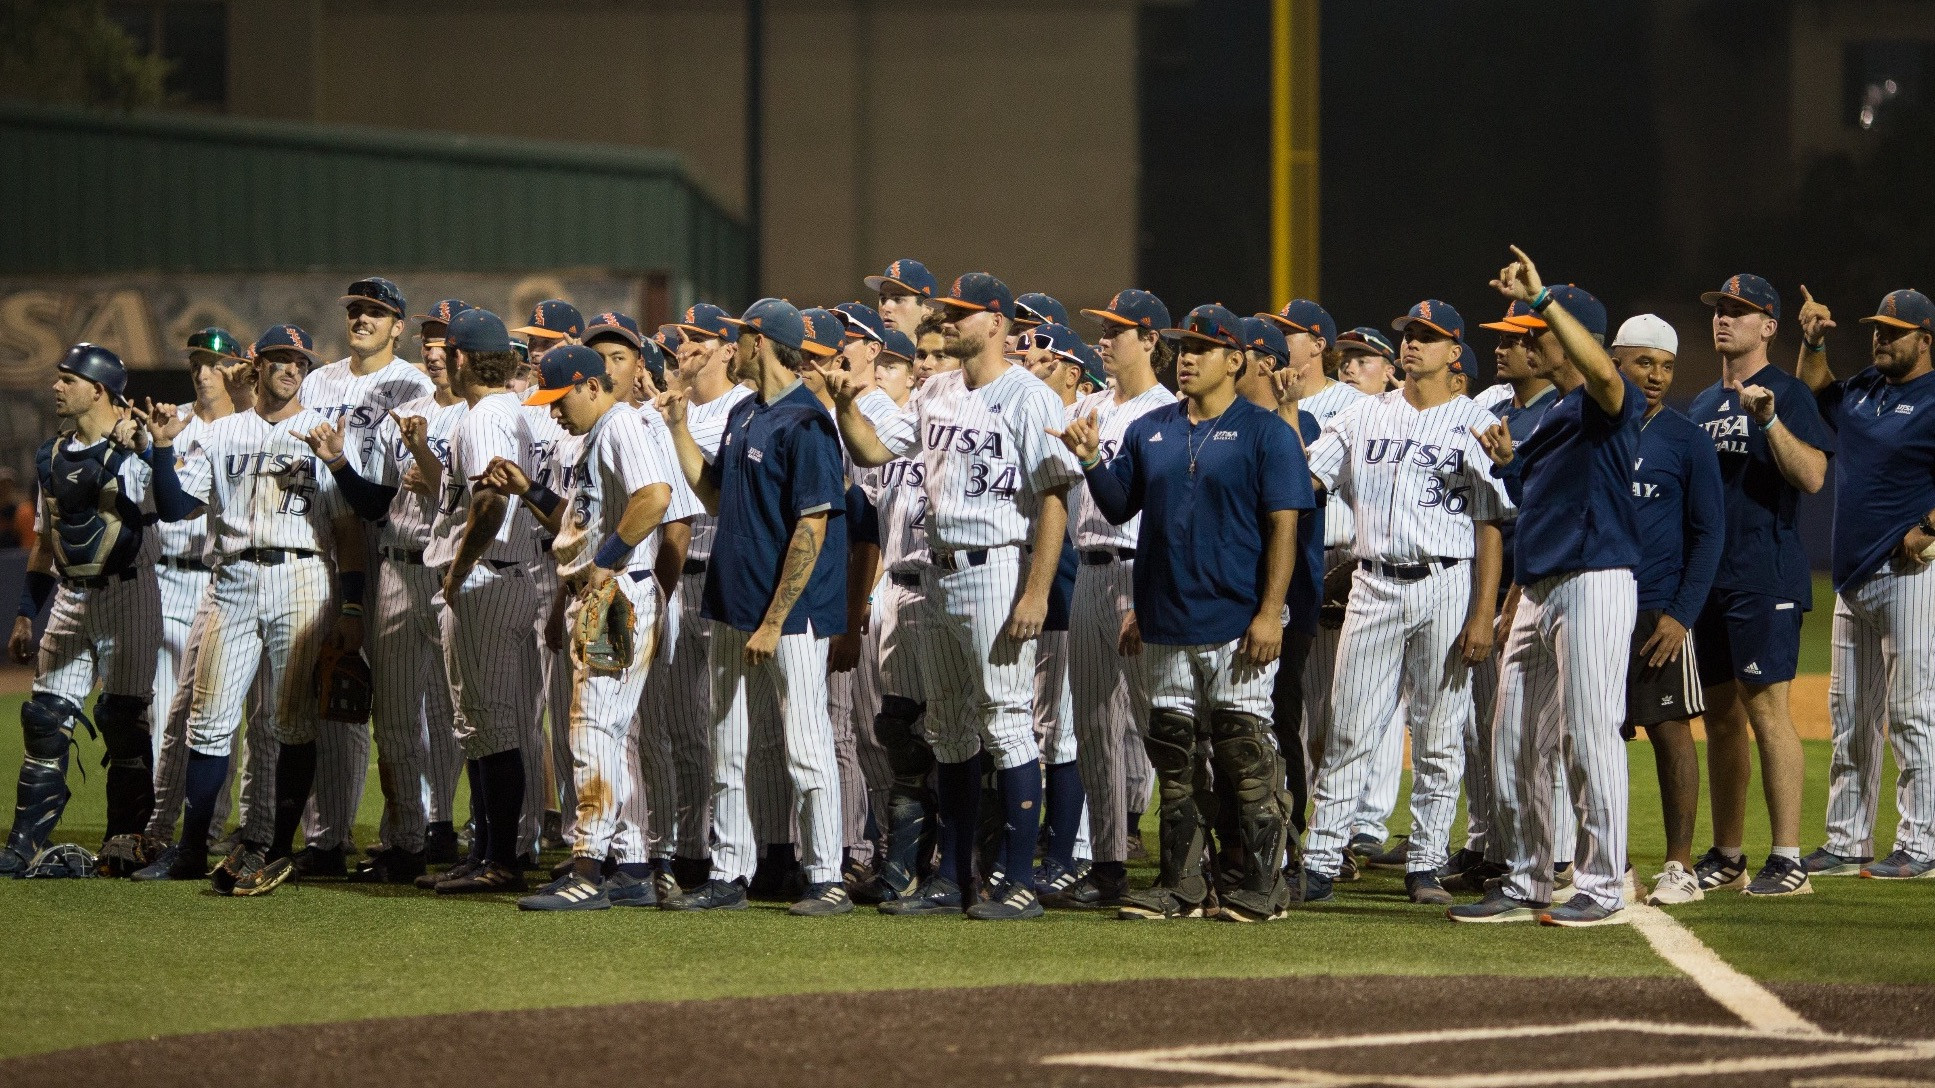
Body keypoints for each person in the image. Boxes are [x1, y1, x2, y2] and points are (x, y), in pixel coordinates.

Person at [825, 273, 1083, 922]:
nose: (951, 321)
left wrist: (1036, 591)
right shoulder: (936, 389)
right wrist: (843, 405)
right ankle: (952, 877)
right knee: (946, 728)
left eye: (965, 314)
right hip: (936, 571)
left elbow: (1055, 497)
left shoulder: (1028, 396)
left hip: (996, 565)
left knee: (1005, 721)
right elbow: (878, 450)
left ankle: (1018, 882)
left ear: (996, 323)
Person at [1055, 303, 1311, 921]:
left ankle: (1262, 886)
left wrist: (1270, 612)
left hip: (1235, 618)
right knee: (1173, 758)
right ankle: (1181, 884)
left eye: (1201, 348)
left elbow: (1285, 528)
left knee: (1244, 752)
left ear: (1235, 360)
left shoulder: (1266, 432)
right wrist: (1091, 460)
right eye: (1182, 347)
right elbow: (1118, 508)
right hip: (1166, 618)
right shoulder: (1152, 429)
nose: (1186, 357)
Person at [138, 325, 365, 896]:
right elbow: (175, 507)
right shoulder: (221, 433)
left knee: (292, 721)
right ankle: (192, 848)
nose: (292, 369)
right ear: (256, 365)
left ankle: (277, 848)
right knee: (208, 720)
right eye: (281, 359)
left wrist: (354, 604)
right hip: (232, 576)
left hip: (303, 575)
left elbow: (347, 528)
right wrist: (164, 447)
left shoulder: (323, 433)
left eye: (301, 361)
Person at [1451, 252, 1641, 927]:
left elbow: (1604, 374)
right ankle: (1527, 877)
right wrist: (1510, 464)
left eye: (1536, 331)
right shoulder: (1555, 415)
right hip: (1538, 589)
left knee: (1589, 737)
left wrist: (1546, 295)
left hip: (1594, 580)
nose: (1526, 340)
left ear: (1570, 334)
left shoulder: (1606, 399)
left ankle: (1600, 882)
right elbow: (1533, 500)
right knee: (1509, 743)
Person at [1301, 301, 1510, 907]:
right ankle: (1319, 860)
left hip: (1448, 582)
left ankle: (1425, 863)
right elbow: (1306, 480)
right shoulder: (1365, 416)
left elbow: (1490, 524)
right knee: (1349, 726)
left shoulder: (1477, 421)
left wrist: (1482, 611)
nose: (1413, 344)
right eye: (1409, 334)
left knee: (1440, 734)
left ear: (1454, 353)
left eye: (1427, 336)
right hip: (1372, 582)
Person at [658, 298, 852, 917]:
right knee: (729, 744)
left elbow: (812, 529)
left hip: (791, 616)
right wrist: (678, 428)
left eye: (739, 338)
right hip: (733, 602)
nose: (731, 348)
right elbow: (714, 495)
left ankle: (827, 876)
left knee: (805, 745)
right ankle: (729, 869)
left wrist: (774, 620)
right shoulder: (746, 412)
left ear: (761, 342)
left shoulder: (808, 422)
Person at [473, 343, 681, 910]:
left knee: (593, 729)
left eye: (561, 399)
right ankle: (630, 868)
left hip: (615, 594)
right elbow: (579, 515)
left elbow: (656, 497)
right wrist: (531, 491)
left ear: (592, 385)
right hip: (608, 591)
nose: (554, 412)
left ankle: (588, 869)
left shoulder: (620, 425)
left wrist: (608, 559)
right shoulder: (597, 432)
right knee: (609, 731)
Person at [314, 302, 474, 883]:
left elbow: (471, 504)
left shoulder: (483, 416)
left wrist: (429, 461)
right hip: (397, 571)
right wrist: (336, 464)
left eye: (446, 340)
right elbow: (376, 506)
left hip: (453, 574)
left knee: (463, 715)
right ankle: (406, 839)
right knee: (398, 717)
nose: (435, 349)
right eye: (430, 339)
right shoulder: (399, 415)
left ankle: (450, 827)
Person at [1686, 274, 1834, 898]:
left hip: (1764, 571)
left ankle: (1789, 859)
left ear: (1769, 327)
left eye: (1741, 311)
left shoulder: (1788, 392)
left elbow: (1814, 477)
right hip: (1710, 581)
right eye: (1721, 309)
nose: (1725, 319)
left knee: (1766, 707)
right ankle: (1727, 853)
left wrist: (1770, 423)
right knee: (1719, 716)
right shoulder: (1697, 405)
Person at [3, 345, 163, 876]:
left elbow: (173, 506)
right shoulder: (50, 456)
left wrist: (145, 446)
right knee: (44, 718)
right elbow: (45, 542)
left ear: (98, 389)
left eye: (68, 379)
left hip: (128, 592)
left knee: (123, 722)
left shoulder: (134, 450)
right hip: (70, 595)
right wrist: (28, 610)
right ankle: (24, 841)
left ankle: (124, 842)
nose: (56, 386)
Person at [1794, 288, 1935, 880]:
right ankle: (1848, 839)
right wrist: (1812, 339)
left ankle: (1922, 843)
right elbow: (1813, 386)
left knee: (1910, 712)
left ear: (1925, 340)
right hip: (1855, 579)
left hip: (1912, 575)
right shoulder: (1863, 392)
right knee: (1849, 717)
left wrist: (1929, 526)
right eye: (1877, 327)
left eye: (1894, 330)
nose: (1880, 337)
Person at [296, 277, 434, 876]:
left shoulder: (414, 386)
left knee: (398, 713)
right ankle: (327, 838)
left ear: (397, 324)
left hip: (385, 557)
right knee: (333, 699)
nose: (362, 319)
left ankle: (413, 832)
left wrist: (338, 465)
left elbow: (384, 497)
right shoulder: (317, 381)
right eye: (356, 310)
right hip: (317, 549)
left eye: (375, 312)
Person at [136, 329, 279, 879]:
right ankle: (162, 830)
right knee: (183, 718)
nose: (203, 373)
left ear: (240, 370)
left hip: (239, 575)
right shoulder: (177, 422)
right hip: (191, 578)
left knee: (259, 719)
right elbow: (166, 504)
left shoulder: (253, 422)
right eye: (197, 361)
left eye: (216, 363)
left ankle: (244, 830)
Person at [1608, 314, 1724, 905]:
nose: (1656, 376)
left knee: (1672, 732)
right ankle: (1608, 860)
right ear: (1616, 361)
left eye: (1666, 365)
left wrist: (1682, 614)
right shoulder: (1592, 426)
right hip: (1597, 602)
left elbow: (1708, 536)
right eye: (1643, 362)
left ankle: (1679, 865)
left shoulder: (1687, 439)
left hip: (1657, 608)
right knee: (1596, 735)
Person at [1445, 303, 1562, 891]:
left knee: (1538, 729)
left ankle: (1549, 853)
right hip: (1483, 579)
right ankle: (1489, 841)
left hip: (1535, 580)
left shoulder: (1561, 414)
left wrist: (1502, 598)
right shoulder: (1490, 408)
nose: (1501, 347)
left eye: (1515, 340)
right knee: (1481, 729)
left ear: (1544, 350)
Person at [642, 303, 756, 895]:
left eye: (696, 340)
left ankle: (720, 851)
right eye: (678, 341)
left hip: (718, 576)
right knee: (671, 725)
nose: (683, 350)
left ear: (725, 348)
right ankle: (680, 849)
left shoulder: (742, 409)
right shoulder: (663, 409)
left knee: (716, 730)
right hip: (671, 577)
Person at [866, 259, 939, 337]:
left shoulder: (943, 348)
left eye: (898, 299)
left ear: (927, 310)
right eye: (883, 299)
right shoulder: (866, 348)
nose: (886, 308)